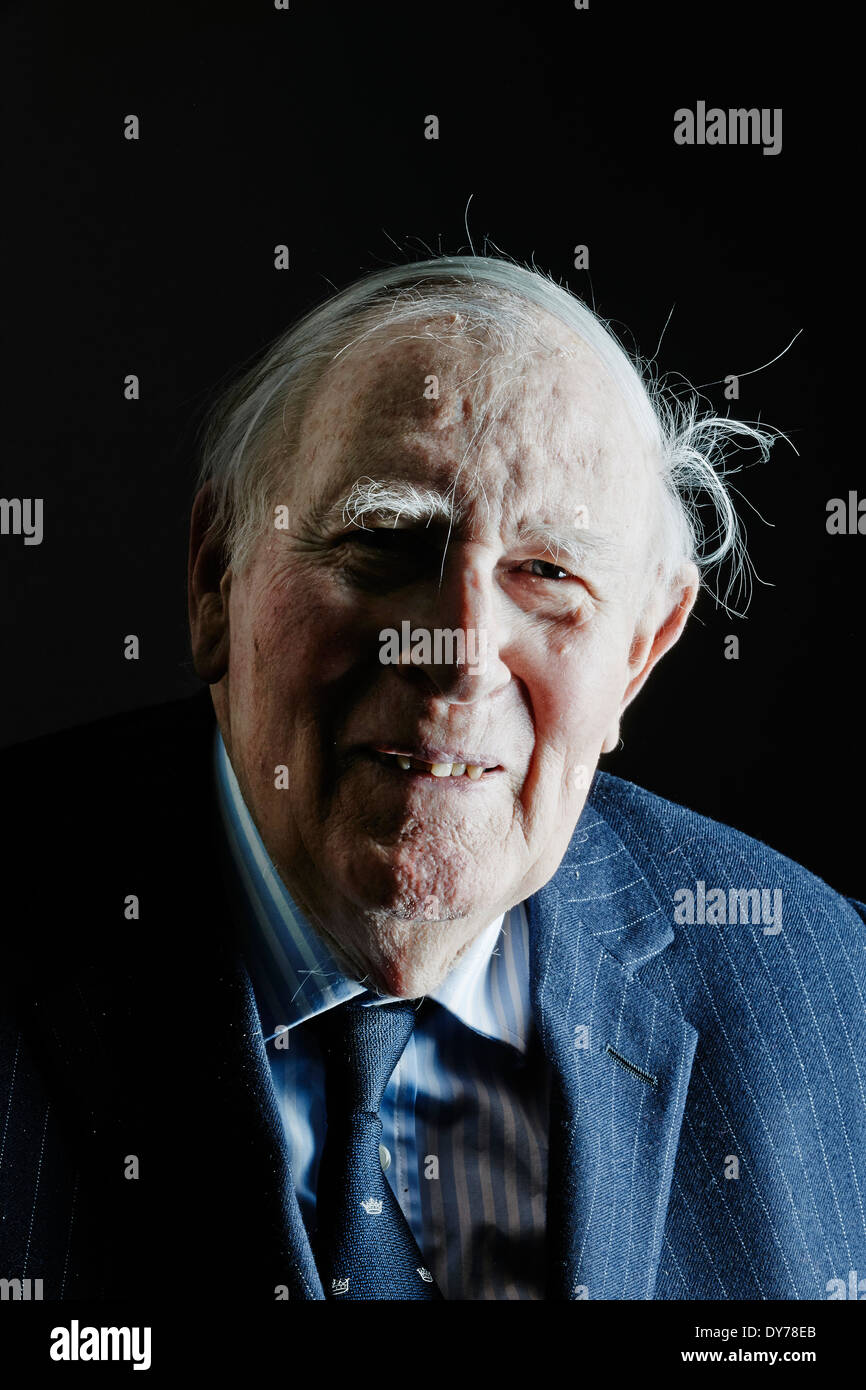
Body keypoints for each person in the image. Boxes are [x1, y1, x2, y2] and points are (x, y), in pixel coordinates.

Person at [1, 256, 863, 1302]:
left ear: (641, 647)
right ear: (214, 576)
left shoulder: (821, 992)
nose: (456, 649)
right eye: (384, 540)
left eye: (547, 573)